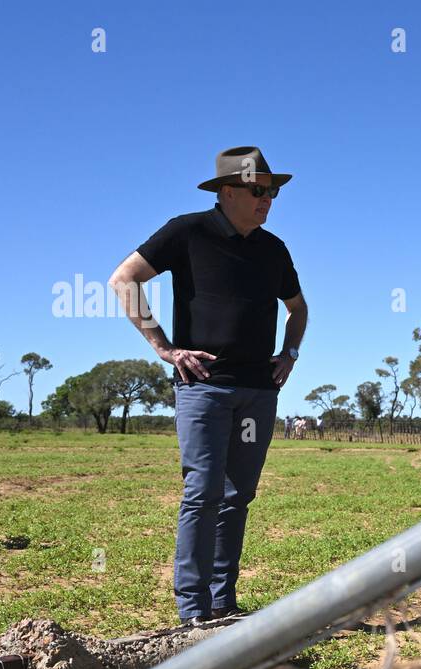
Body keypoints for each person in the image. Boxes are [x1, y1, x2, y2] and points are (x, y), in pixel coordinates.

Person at [109, 147, 306, 626]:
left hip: (258, 391)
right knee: (203, 493)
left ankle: (223, 602)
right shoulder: (187, 231)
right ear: (227, 191)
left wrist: (289, 354)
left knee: (239, 496)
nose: (268, 199)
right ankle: (192, 610)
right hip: (204, 388)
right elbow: (124, 279)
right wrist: (165, 347)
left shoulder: (272, 248)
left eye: (273, 191)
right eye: (259, 190)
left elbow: (297, 308)